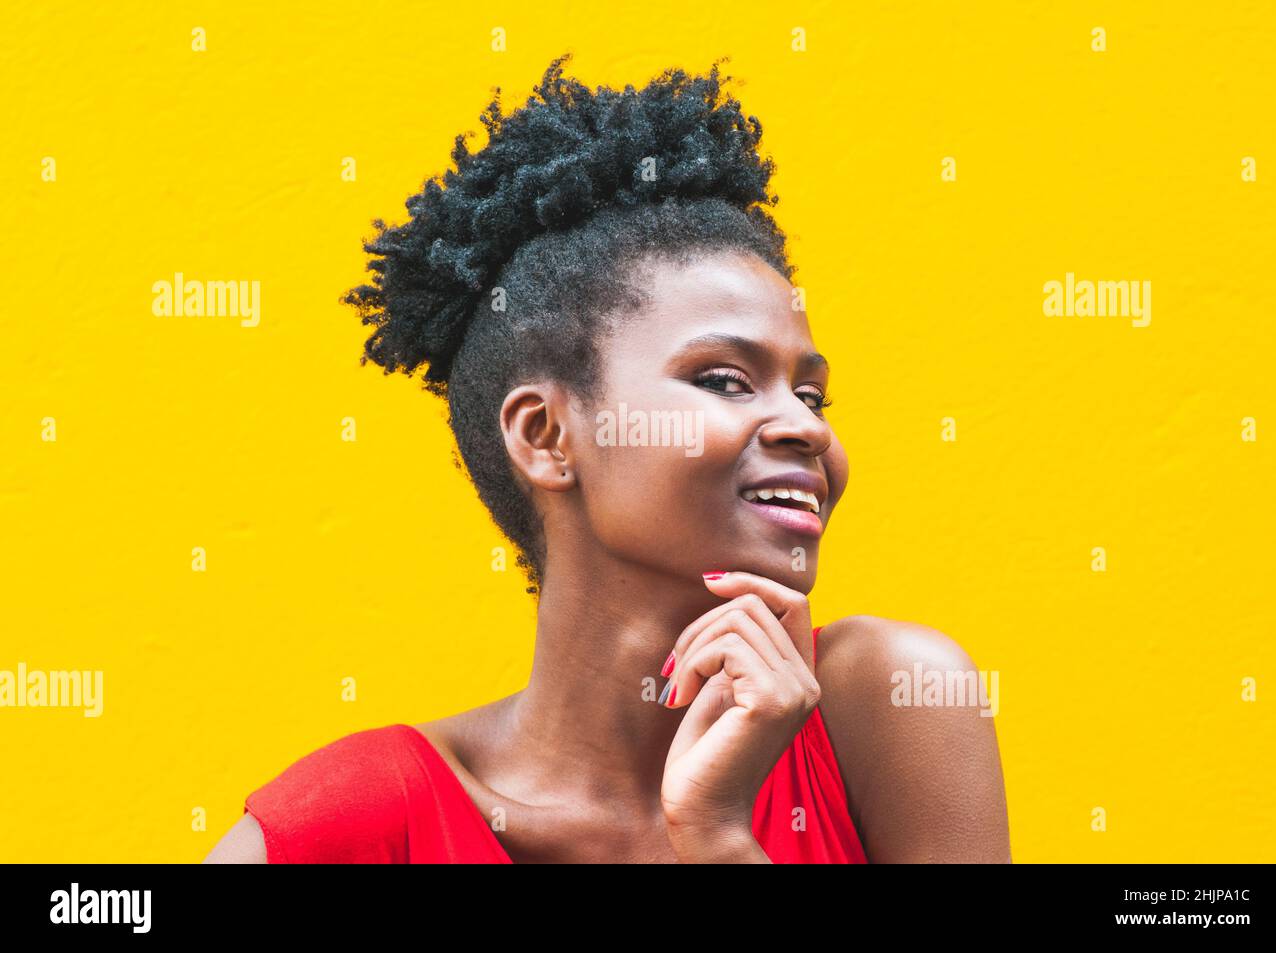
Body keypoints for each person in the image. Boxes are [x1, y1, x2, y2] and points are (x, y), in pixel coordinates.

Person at [204, 53, 1011, 864]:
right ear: (547, 436)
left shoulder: (887, 704)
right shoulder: (360, 822)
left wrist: (721, 838)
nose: (805, 429)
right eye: (724, 379)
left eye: (811, 396)